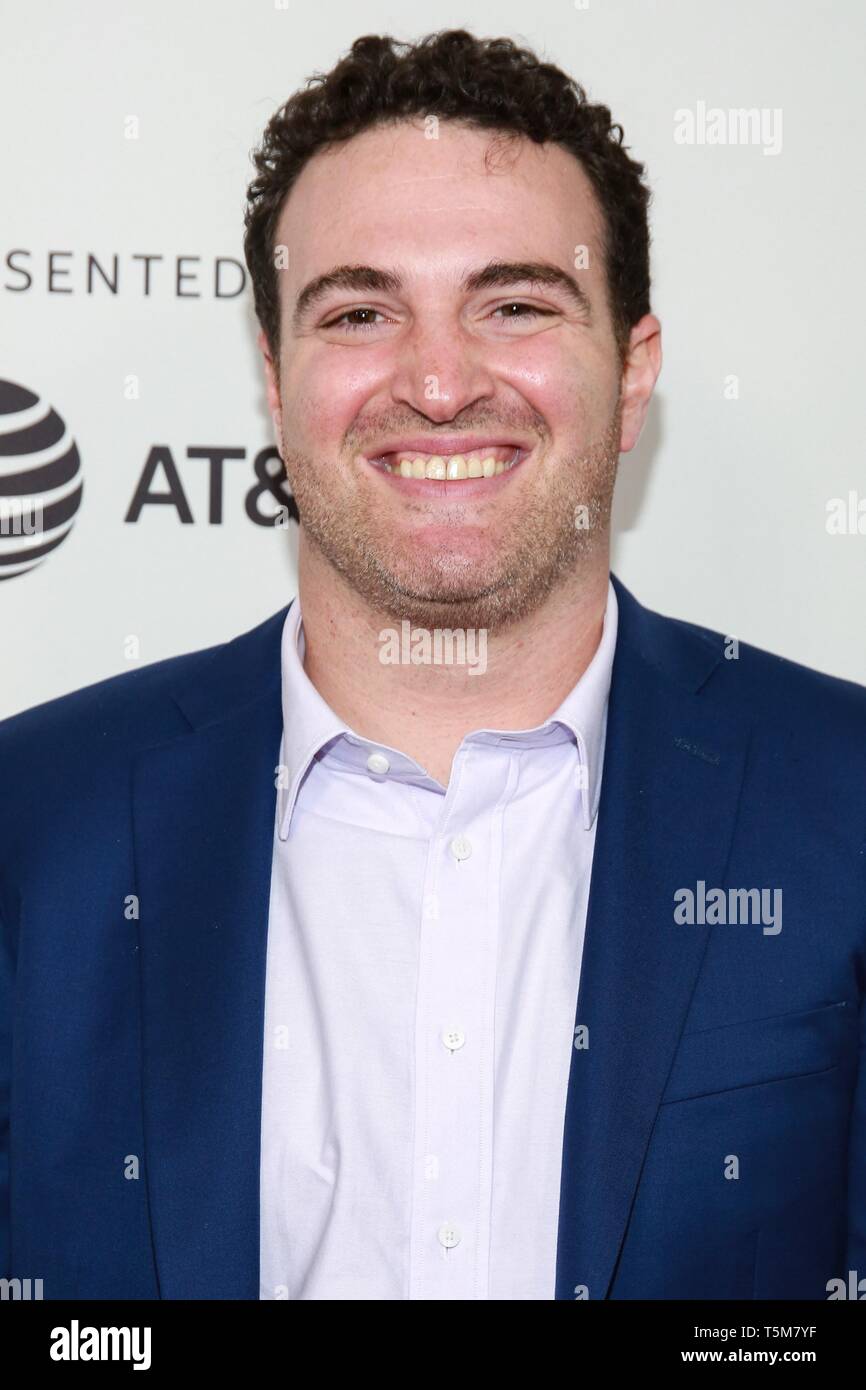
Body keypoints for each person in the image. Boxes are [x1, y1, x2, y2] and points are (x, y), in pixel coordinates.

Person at [1, 29, 864, 1302]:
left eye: (513, 303)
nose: (440, 380)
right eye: (360, 311)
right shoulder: (32, 821)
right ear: (274, 378)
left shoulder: (838, 801)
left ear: (631, 374)